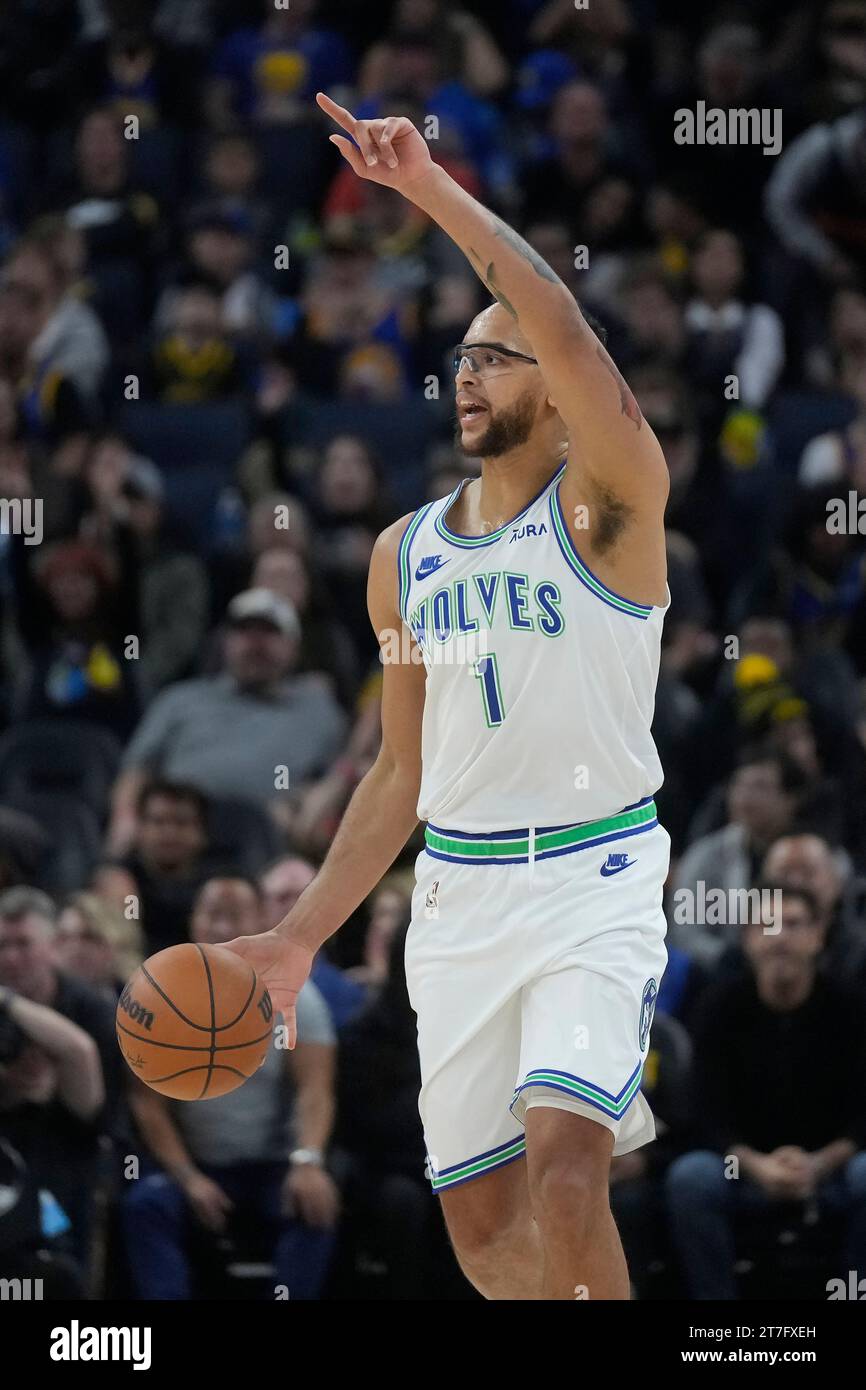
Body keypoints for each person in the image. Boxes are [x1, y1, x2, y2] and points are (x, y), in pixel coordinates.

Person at [228, 92, 671, 1302]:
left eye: (492, 353)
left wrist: (423, 189)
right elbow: (398, 775)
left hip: (593, 878)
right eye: (458, 356)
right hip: (458, 900)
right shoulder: (401, 554)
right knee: (483, 1238)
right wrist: (298, 936)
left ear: (545, 379)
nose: (464, 373)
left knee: (570, 1173)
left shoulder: (610, 507)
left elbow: (565, 324)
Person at [122, 876, 340, 1301]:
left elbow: (316, 1090)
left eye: (235, 915)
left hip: (274, 1166)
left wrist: (308, 1160)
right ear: (193, 922)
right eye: (212, 914)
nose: (222, 927)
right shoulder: (156, 993)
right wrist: (187, 1178)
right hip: (195, 1166)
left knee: (317, 1204)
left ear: (261, 920)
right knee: (145, 1204)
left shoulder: (297, 996)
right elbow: (145, 1102)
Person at [666, 885, 866, 1300]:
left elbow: (863, 1114)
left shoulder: (850, 1007)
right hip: (742, 1171)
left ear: (818, 936)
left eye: (793, 925)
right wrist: (756, 1165)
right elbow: (705, 1111)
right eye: (765, 926)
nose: (779, 937)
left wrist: (820, 1163)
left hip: (832, 1171)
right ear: (747, 939)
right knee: (691, 1177)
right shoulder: (718, 1007)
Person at [107, 587, 348, 854]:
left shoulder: (319, 711)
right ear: (225, 641)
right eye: (245, 631)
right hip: (175, 833)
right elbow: (136, 769)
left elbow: (339, 777)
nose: (256, 643)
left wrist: (301, 803)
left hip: (269, 841)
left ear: (294, 646)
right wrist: (125, 817)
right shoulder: (181, 698)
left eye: (270, 632)